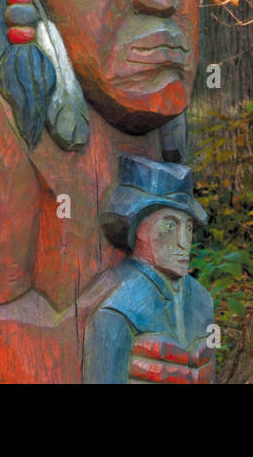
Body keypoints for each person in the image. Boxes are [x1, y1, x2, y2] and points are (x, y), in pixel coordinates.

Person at [83, 158, 215, 383]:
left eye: (188, 228)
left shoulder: (201, 299)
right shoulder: (117, 304)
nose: (183, 242)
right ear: (138, 229)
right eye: (170, 225)